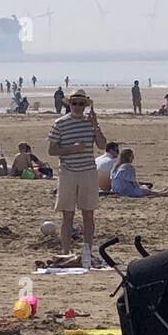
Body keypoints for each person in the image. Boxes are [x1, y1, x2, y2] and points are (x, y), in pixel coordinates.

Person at [47, 89, 106, 260]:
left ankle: (87, 251)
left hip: (88, 171)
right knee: (68, 214)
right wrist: (73, 149)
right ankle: (66, 252)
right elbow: (52, 150)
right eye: (74, 103)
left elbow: (102, 145)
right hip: (68, 172)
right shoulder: (60, 123)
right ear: (70, 104)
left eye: (81, 104)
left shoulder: (90, 123)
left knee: (88, 213)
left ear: (85, 105)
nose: (78, 107)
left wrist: (96, 126)